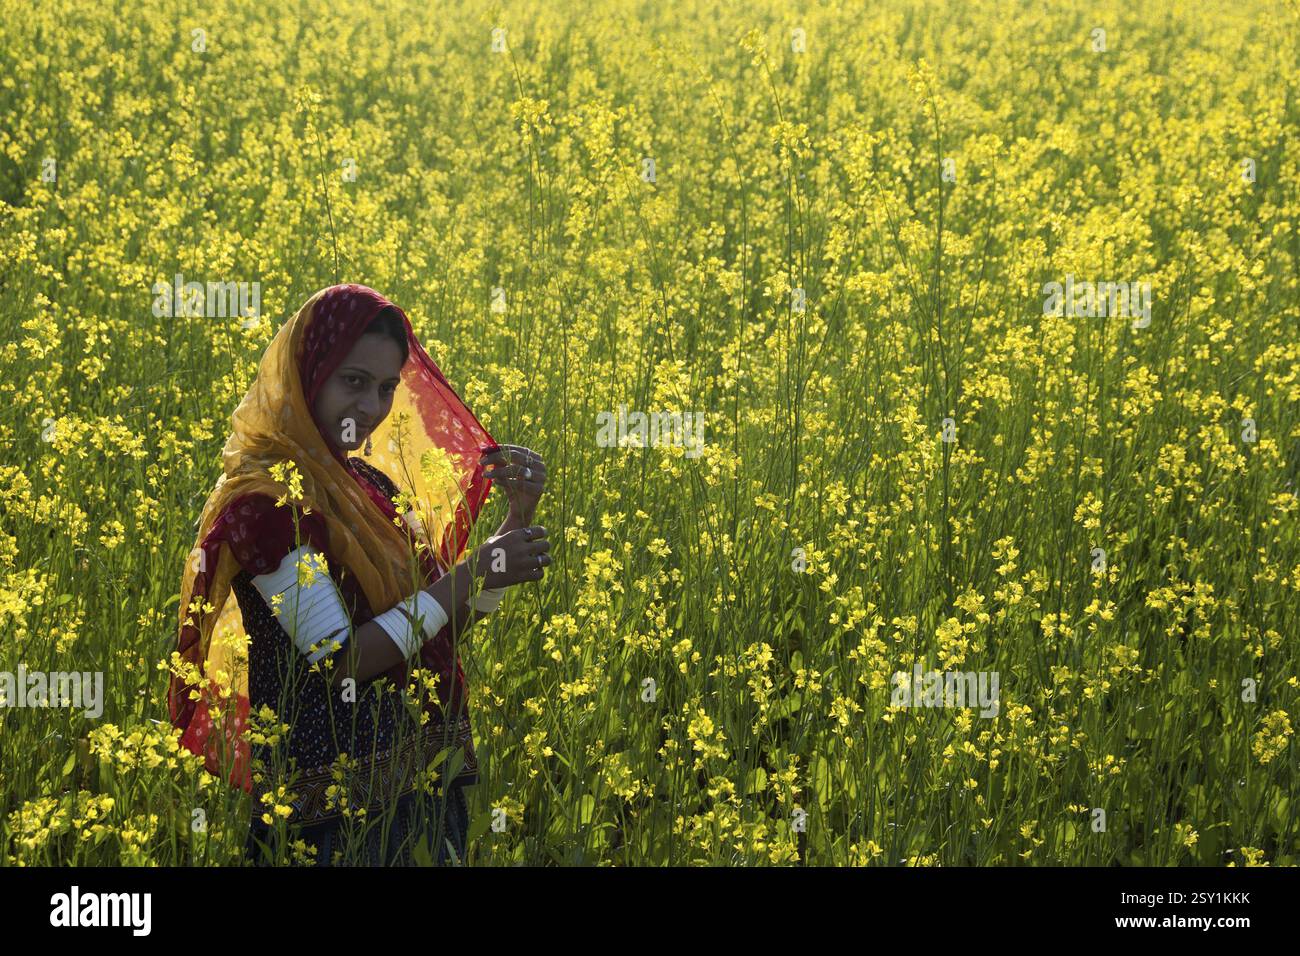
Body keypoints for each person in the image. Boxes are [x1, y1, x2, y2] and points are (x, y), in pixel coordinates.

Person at [168, 283, 549, 865]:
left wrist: (508, 534)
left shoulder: (371, 488)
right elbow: (342, 657)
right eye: (353, 381)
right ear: (308, 372)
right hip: (332, 818)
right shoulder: (267, 507)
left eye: (386, 387)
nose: (370, 406)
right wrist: (472, 574)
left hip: (420, 787)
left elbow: (434, 630)